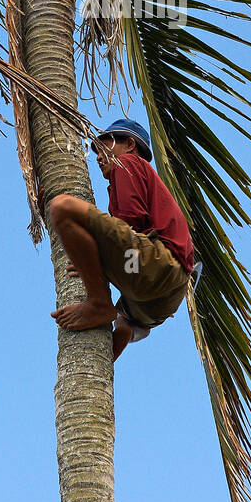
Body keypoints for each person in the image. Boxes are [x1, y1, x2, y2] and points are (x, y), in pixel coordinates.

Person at [48, 118, 195, 360]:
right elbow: (124, 233)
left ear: (129, 144)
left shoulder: (127, 162)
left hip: (159, 266)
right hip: (157, 305)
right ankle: (111, 346)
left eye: (105, 146)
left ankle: (99, 304)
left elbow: (130, 222)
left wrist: (95, 260)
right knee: (122, 326)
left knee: (62, 208)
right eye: (95, 150)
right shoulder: (134, 178)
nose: (98, 156)